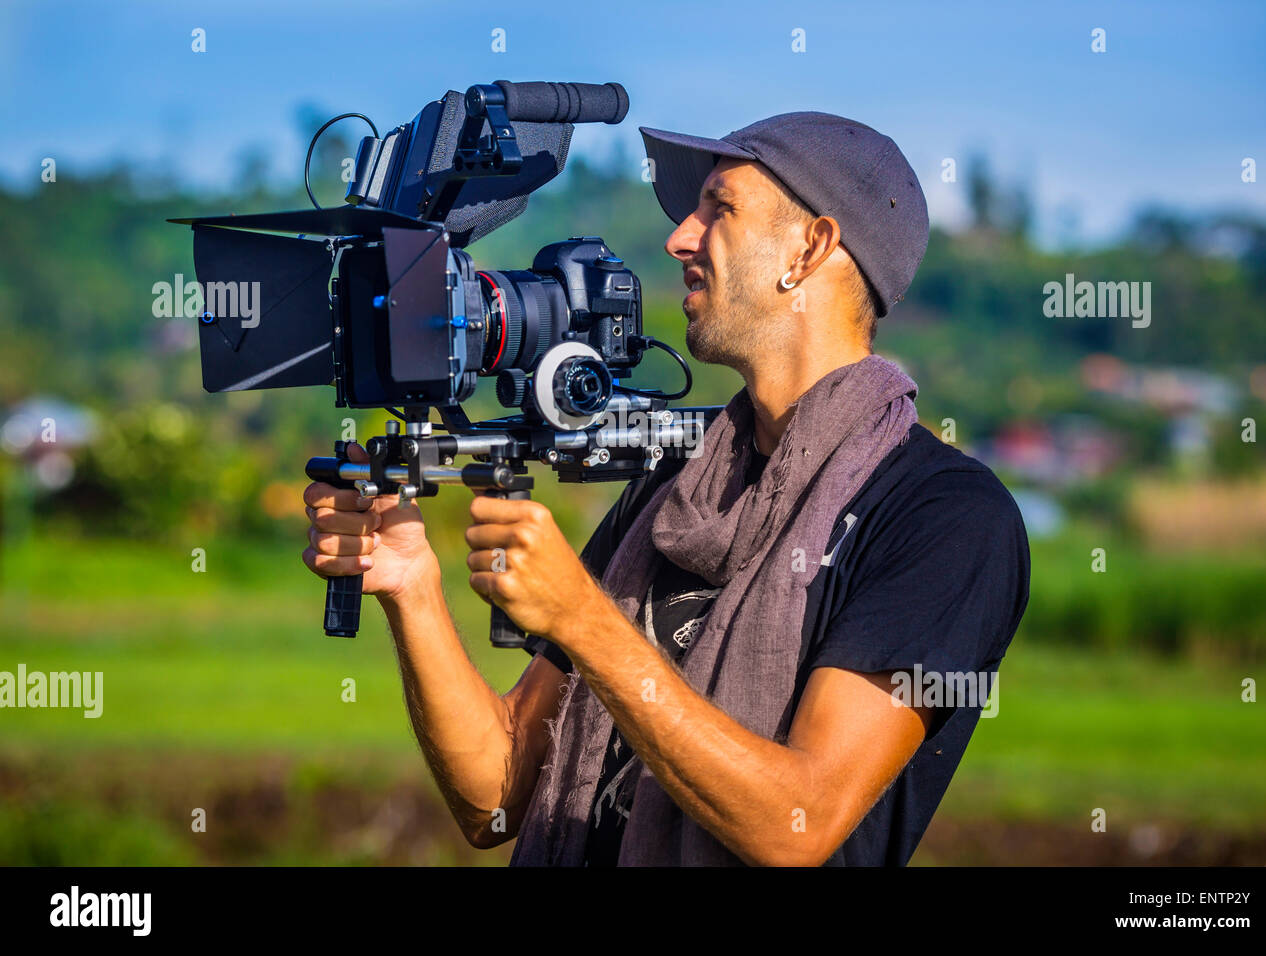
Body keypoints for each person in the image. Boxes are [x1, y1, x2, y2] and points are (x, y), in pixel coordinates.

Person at [302, 111, 1030, 866]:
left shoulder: (946, 517)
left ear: (810, 249)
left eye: (721, 208)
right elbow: (496, 797)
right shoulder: (675, 481)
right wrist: (411, 585)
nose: (680, 237)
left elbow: (798, 823)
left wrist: (587, 620)